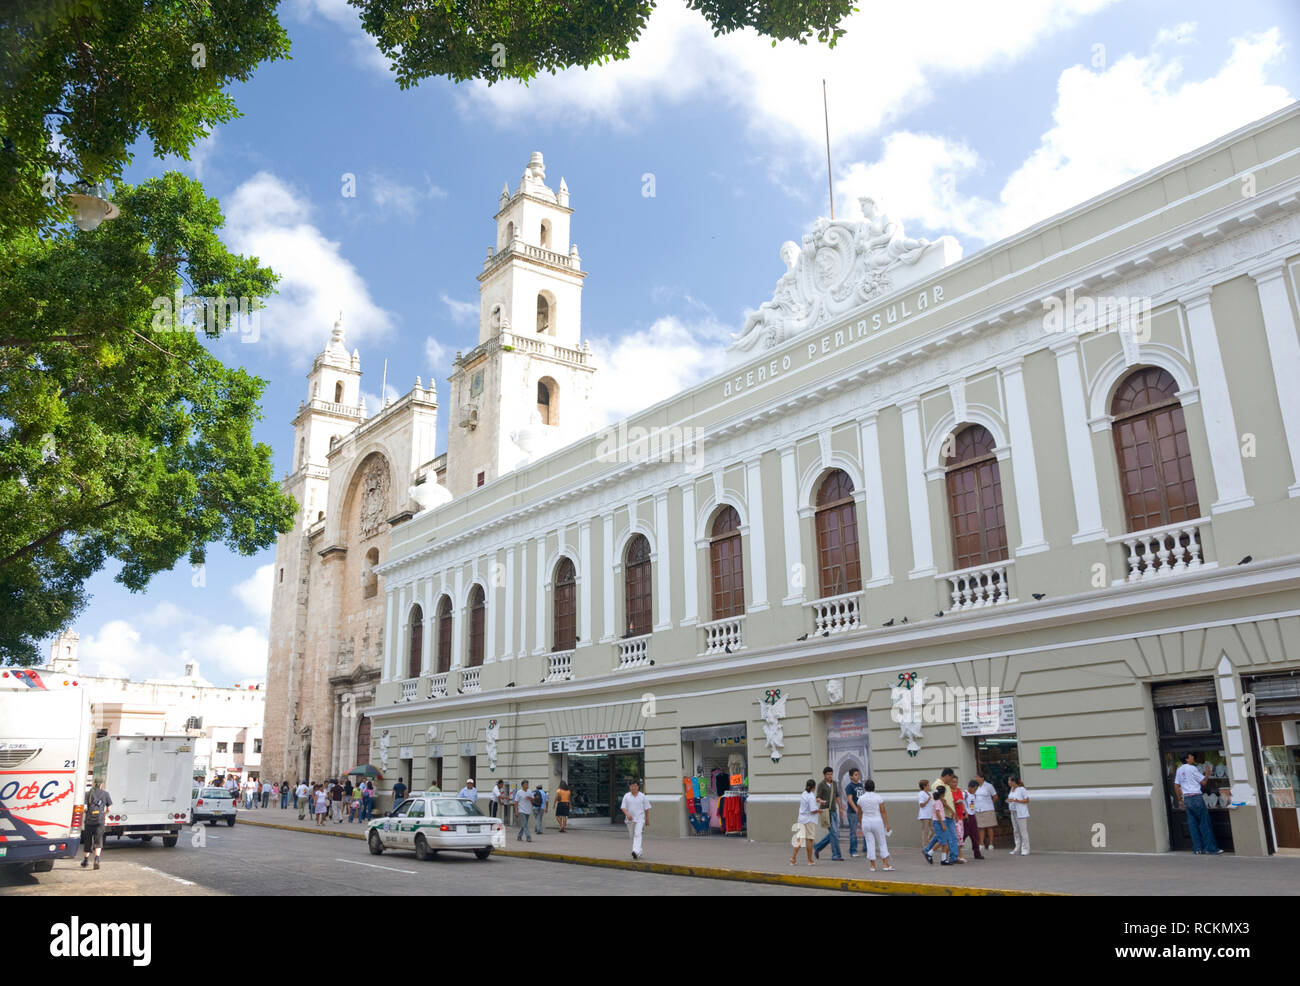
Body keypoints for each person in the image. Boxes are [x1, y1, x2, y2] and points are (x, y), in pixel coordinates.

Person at [1174, 754, 1223, 855]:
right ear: (1187, 759)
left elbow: (1176, 785)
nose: (1193, 758)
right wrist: (1208, 773)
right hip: (1196, 798)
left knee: (1193, 825)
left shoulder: (1179, 770)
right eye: (1192, 756)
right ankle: (1210, 848)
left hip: (1187, 798)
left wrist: (1179, 799)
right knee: (1204, 823)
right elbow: (1204, 782)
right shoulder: (1192, 768)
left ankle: (1198, 849)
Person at [857, 778, 893, 872]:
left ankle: (872, 865)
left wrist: (860, 823)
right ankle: (885, 864)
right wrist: (887, 824)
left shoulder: (861, 799)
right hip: (877, 821)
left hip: (866, 822)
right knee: (882, 842)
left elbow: (859, 812)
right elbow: (883, 811)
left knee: (870, 843)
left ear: (865, 788)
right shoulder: (878, 797)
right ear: (874, 787)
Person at [928, 768, 962, 863]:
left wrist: (953, 812)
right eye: (951, 778)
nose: (951, 781)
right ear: (947, 775)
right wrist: (952, 811)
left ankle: (951, 857)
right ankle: (930, 852)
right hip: (943, 816)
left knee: (948, 838)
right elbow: (942, 802)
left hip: (948, 815)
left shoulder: (946, 785)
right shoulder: (937, 785)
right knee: (945, 839)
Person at [812, 766, 843, 861]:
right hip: (825, 811)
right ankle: (836, 855)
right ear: (825, 775)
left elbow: (837, 796)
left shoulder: (834, 784)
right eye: (828, 774)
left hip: (833, 810)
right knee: (834, 833)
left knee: (834, 833)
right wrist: (821, 801)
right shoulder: (821, 784)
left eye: (831, 774)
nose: (830, 776)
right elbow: (817, 797)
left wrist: (841, 808)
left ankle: (817, 847)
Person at [923, 784, 958, 865]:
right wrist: (943, 824)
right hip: (939, 822)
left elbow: (945, 806)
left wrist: (952, 811)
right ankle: (929, 853)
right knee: (942, 841)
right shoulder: (938, 802)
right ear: (942, 794)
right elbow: (938, 813)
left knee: (943, 841)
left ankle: (943, 859)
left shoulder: (938, 801)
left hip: (939, 822)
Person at [81, 780, 112, 870]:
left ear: (93, 784)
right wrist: (103, 814)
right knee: (98, 840)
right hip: (100, 820)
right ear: (101, 784)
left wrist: (87, 813)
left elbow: (84, 808)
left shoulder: (88, 794)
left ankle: (85, 860)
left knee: (88, 840)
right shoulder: (105, 794)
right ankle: (96, 860)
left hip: (89, 821)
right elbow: (109, 808)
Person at [790, 779, 821, 865]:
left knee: (799, 839)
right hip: (809, 820)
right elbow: (813, 810)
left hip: (801, 818)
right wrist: (819, 811)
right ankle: (809, 860)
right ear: (814, 787)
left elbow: (808, 803)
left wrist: (816, 800)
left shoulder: (804, 793)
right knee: (809, 840)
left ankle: (793, 858)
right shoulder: (811, 796)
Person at [620, 779, 650, 860]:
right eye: (631, 786)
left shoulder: (643, 796)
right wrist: (627, 814)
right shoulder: (626, 796)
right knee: (633, 836)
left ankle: (635, 851)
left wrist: (647, 819)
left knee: (638, 834)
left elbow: (646, 808)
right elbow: (623, 807)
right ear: (629, 787)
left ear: (638, 787)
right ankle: (639, 851)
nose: (633, 787)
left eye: (635, 786)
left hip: (640, 819)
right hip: (629, 820)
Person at [973, 773, 998, 852]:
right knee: (980, 827)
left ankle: (991, 844)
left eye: (978, 777)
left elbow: (995, 796)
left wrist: (990, 803)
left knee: (989, 827)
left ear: (982, 778)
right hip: (978, 809)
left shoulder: (989, 786)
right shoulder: (975, 786)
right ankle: (982, 843)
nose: (977, 779)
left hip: (988, 809)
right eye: (976, 777)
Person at [1007, 776, 1031, 855]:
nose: (1008, 782)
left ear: (1014, 781)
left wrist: (1018, 801)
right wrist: (1009, 801)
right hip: (1013, 812)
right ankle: (1017, 847)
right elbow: (1011, 798)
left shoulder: (1021, 789)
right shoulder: (1011, 789)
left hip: (1020, 813)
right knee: (1016, 830)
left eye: (1009, 780)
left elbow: (1027, 800)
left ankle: (1025, 849)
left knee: (1023, 831)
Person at [844, 768, 864, 858]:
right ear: (851, 776)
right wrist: (856, 809)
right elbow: (850, 800)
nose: (857, 776)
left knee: (866, 830)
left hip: (863, 812)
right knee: (853, 832)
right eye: (855, 775)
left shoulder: (861, 785)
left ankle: (866, 848)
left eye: (858, 774)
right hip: (853, 813)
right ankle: (853, 850)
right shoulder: (850, 786)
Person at [963, 781, 985, 859]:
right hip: (966, 816)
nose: (975, 791)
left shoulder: (973, 795)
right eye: (974, 789)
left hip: (972, 816)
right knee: (964, 835)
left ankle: (977, 852)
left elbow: (972, 807)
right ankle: (956, 852)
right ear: (970, 787)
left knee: (975, 835)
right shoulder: (964, 794)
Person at [916, 779, 933, 850]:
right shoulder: (921, 794)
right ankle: (925, 846)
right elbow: (921, 804)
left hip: (930, 815)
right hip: (924, 815)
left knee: (933, 830)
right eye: (928, 785)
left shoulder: (929, 793)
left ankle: (928, 842)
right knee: (925, 831)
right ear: (924, 786)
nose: (929, 786)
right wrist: (928, 800)